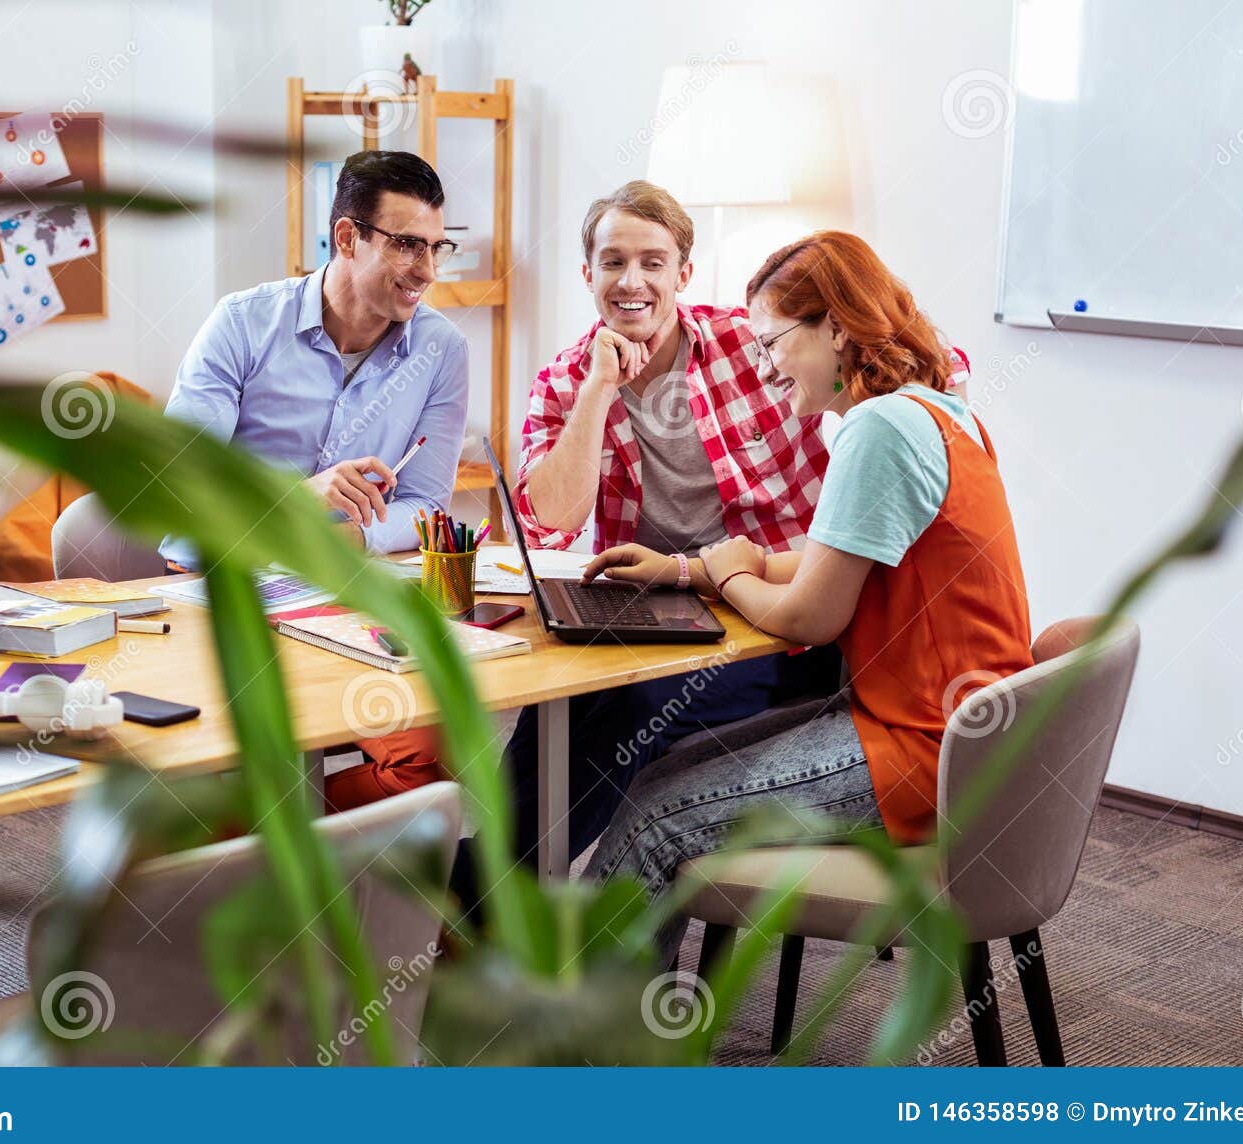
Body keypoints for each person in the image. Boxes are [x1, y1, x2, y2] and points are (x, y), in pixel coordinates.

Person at [481, 184, 969, 883]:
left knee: (632, 707)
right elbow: (550, 518)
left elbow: (933, 364)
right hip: (656, 601)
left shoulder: (760, 341)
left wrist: (871, 442)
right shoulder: (567, 376)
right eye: (612, 261)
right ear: (586, 274)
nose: (632, 281)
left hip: (778, 617)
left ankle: (490, 894)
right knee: (561, 698)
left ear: (684, 272)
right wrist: (596, 392)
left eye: (654, 262)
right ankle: (500, 891)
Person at [580, 231, 1033, 960]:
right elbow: (840, 556)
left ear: (835, 326)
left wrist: (728, 574)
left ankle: (581, 1056)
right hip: (962, 738)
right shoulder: (943, 412)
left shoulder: (878, 428)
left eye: (773, 342)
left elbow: (811, 616)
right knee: (657, 774)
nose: (762, 366)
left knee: (654, 819)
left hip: (920, 749)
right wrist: (696, 568)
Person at [158, 150, 468, 811]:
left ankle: (279, 848)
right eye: (408, 244)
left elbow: (425, 505)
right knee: (268, 758)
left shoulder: (442, 351)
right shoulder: (242, 325)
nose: (427, 271)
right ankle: (262, 860)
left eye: (438, 248)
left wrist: (349, 542)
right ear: (347, 237)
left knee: (426, 764)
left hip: (350, 598)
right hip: (236, 594)